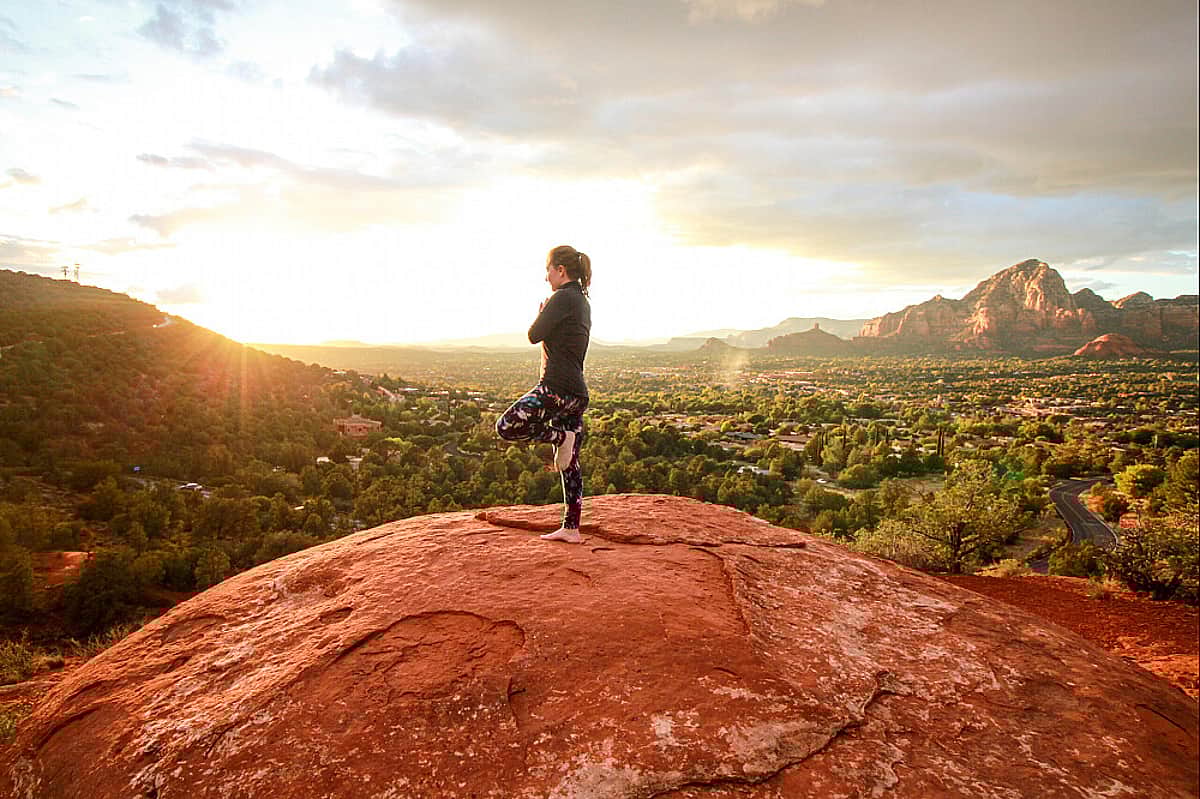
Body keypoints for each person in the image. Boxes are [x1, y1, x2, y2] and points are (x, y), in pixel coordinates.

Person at [495, 245, 592, 543]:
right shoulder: (582, 301)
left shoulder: (561, 298)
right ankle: (571, 527)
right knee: (568, 463)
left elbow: (533, 334)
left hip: (556, 389)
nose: (546, 276)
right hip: (576, 393)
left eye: (549, 269)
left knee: (507, 426)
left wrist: (542, 315)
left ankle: (560, 437)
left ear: (560, 270)